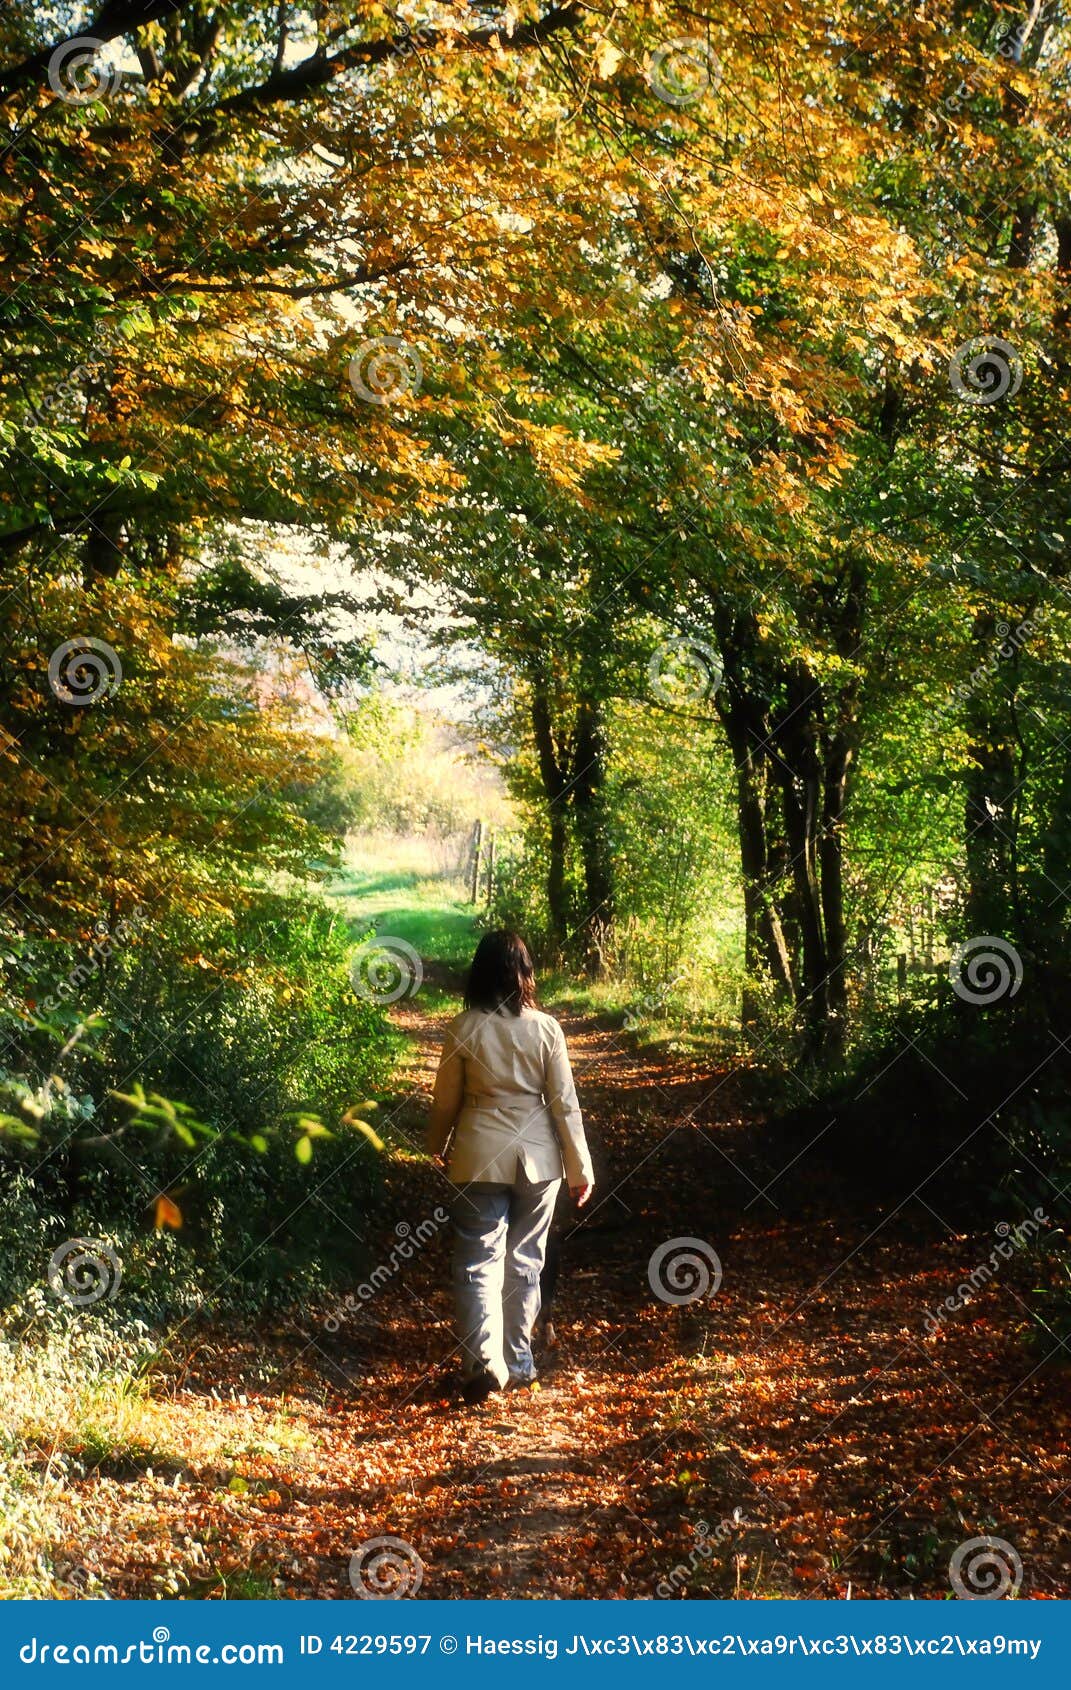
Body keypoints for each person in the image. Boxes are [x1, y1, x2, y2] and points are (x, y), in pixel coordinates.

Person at [426, 929, 594, 1403]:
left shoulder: (462, 1028)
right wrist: (580, 1167)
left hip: (479, 1154)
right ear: (525, 973)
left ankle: (483, 1363)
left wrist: (437, 1143)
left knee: (479, 1257)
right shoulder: (547, 1029)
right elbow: (565, 1104)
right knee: (526, 1260)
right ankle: (518, 1361)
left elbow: (445, 1102)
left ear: (477, 973)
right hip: (538, 1160)